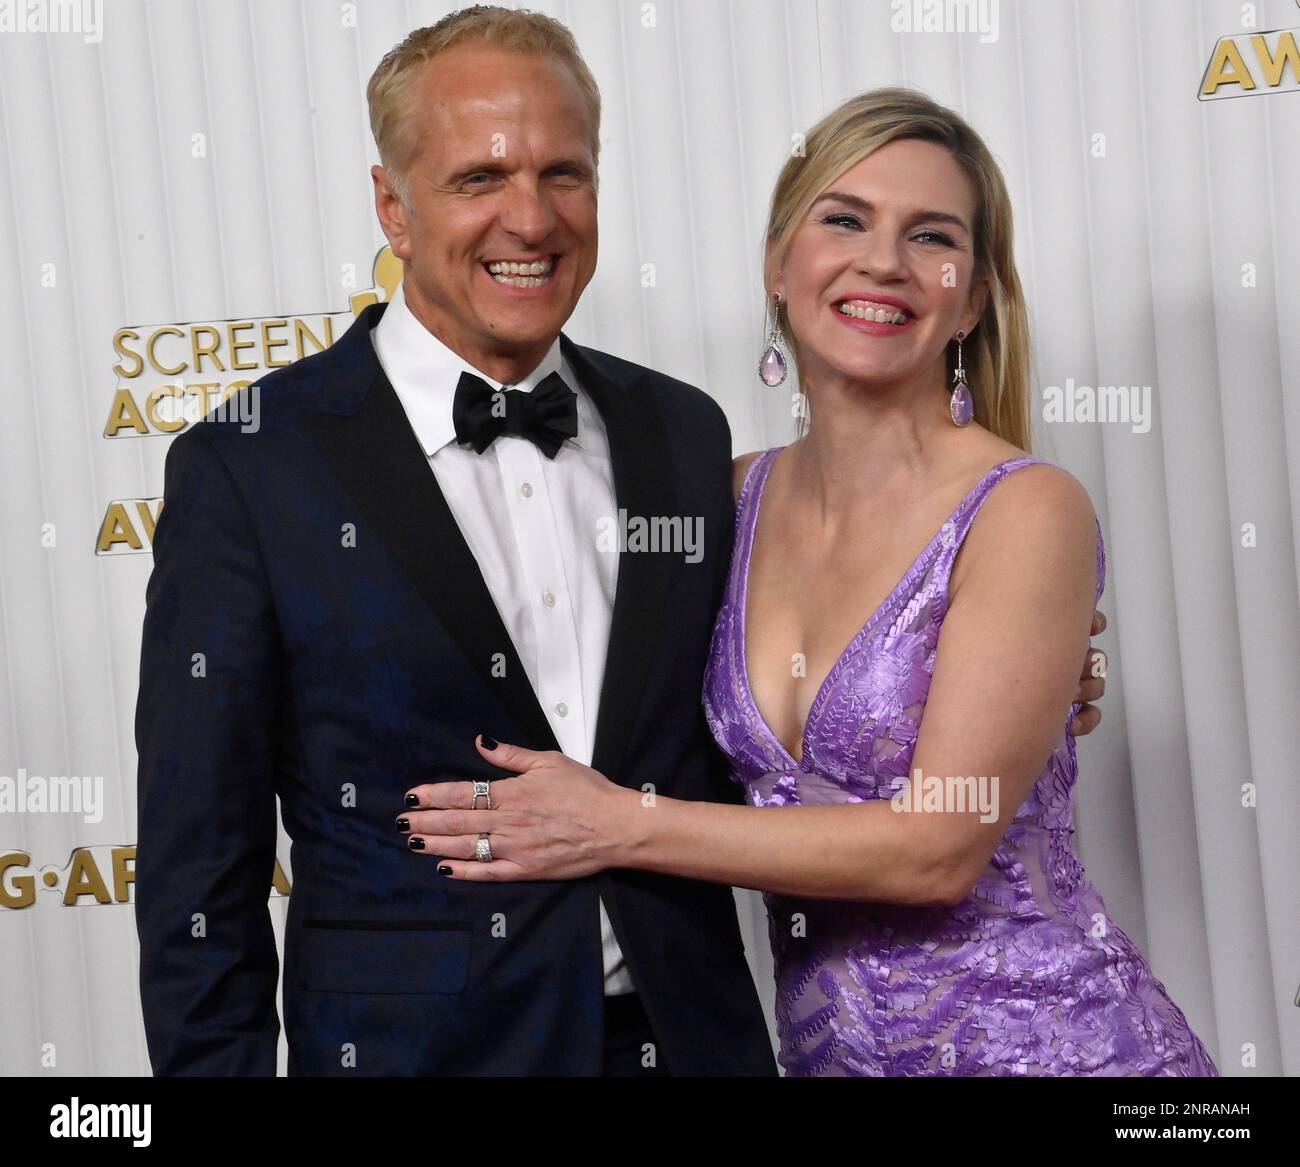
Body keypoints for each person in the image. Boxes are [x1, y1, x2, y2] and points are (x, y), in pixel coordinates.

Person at [401, 87, 1213, 1078]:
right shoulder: (729, 496)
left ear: (972, 296)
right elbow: (616, 699)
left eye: (930, 236)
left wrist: (617, 824)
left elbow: (936, 849)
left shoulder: (1026, 509)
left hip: (1053, 1053)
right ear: (780, 266)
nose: (882, 261)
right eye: (844, 219)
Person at [134, 6, 785, 1076]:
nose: (529, 219)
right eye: (479, 179)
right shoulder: (251, 466)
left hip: (694, 1042)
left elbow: (750, 699)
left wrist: (990, 646)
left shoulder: (681, 431)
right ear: (392, 206)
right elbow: (198, 865)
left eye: (562, 173)